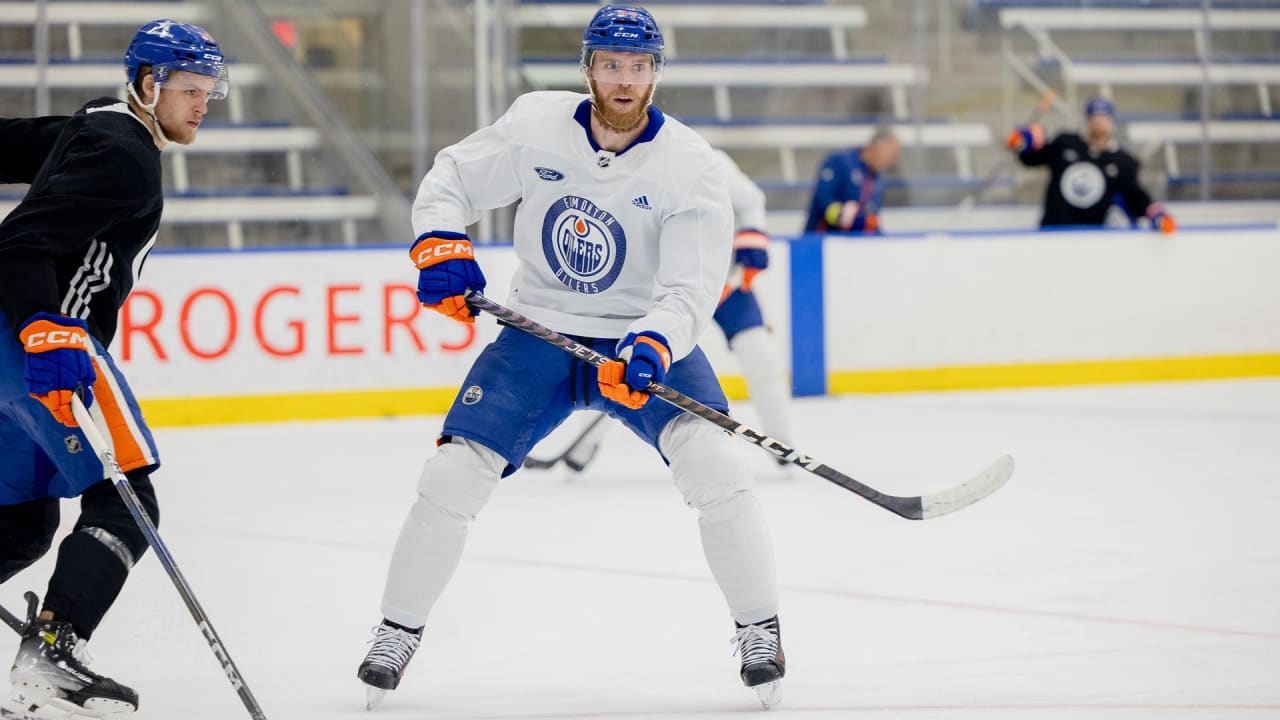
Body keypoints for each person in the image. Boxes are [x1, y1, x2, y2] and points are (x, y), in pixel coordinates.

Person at [356, 4, 786, 711]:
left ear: (656, 73)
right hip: (539, 330)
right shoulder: (535, 125)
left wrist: (651, 342)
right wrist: (441, 244)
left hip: (638, 337)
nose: (625, 80)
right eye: (612, 65)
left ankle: (759, 629)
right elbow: (450, 181)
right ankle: (396, 632)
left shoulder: (691, 168)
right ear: (588, 68)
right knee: (450, 476)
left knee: (718, 470)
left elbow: (689, 289)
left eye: (639, 67)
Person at [0, 19, 227, 717]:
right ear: (147, 84)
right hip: (48, 345)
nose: (202, 105)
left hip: (6, 348)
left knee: (22, 524)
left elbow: (14, 143)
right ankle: (52, 658)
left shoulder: (99, 122)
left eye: (209, 93)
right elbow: (20, 244)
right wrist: (43, 327)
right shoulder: (124, 153)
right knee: (127, 498)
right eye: (190, 90)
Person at [525, 148, 796, 477]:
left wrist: (752, 238)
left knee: (761, 353)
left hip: (725, 284)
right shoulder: (629, 176)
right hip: (661, 292)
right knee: (622, 360)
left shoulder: (710, 162)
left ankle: (783, 444)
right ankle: (585, 445)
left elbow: (750, 200)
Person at [1006, 96, 1176, 232]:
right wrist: (1022, 142)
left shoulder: (1123, 161)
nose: (1098, 122)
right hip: (1053, 231)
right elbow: (1031, 159)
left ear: (1111, 121)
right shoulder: (1066, 143)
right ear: (1087, 120)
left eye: (1103, 118)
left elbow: (1136, 197)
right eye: (1094, 117)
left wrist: (1156, 214)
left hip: (1092, 238)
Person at [802, 126, 901, 234]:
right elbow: (822, 197)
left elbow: (871, 215)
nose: (892, 162)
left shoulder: (878, 179)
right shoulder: (840, 162)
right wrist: (841, 214)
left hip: (855, 245)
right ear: (878, 148)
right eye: (892, 155)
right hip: (823, 239)